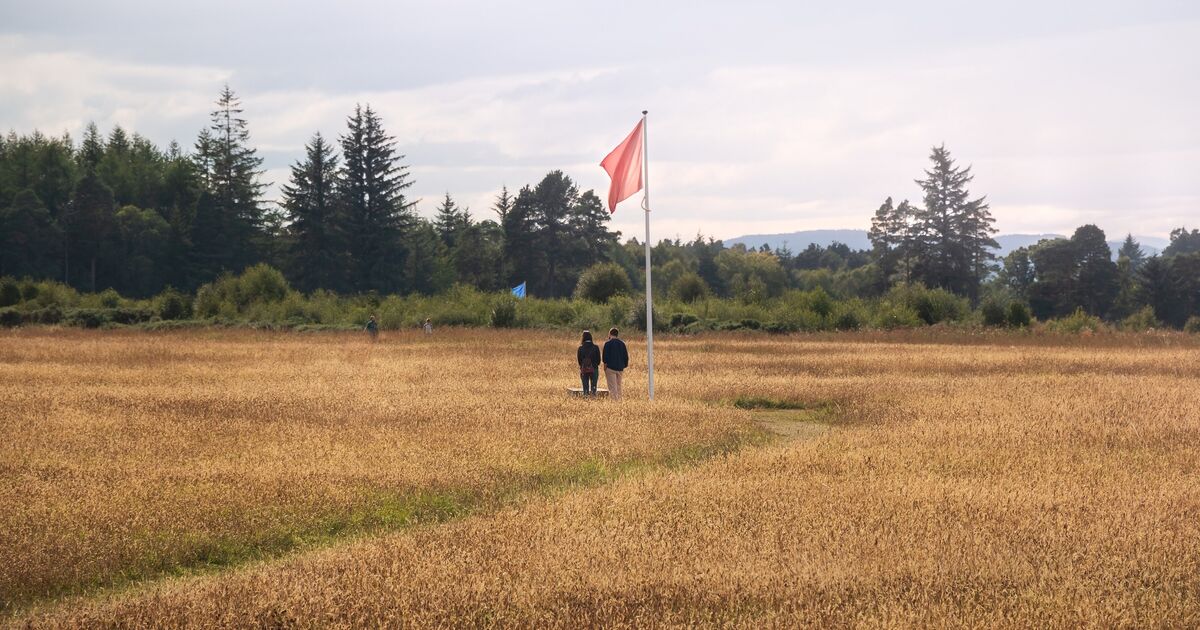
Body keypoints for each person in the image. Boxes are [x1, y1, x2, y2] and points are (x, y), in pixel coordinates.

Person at [602, 327, 629, 400]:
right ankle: (620, 401)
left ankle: (615, 403)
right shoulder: (622, 344)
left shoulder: (607, 343)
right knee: (618, 386)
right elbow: (626, 356)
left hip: (610, 368)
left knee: (612, 387)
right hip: (620, 368)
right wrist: (624, 365)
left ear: (610, 334)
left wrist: (605, 367)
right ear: (617, 334)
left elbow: (605, 357)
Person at [577, 330, 601, 396]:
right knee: (594, 387)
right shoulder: (596, 347)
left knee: (585, 388)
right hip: (594, 368)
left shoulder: (580, 348)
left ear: (583, 338)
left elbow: (579, 361)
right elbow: (599, 360)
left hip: (584, 369)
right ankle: (593, 399)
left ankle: (586, 399)